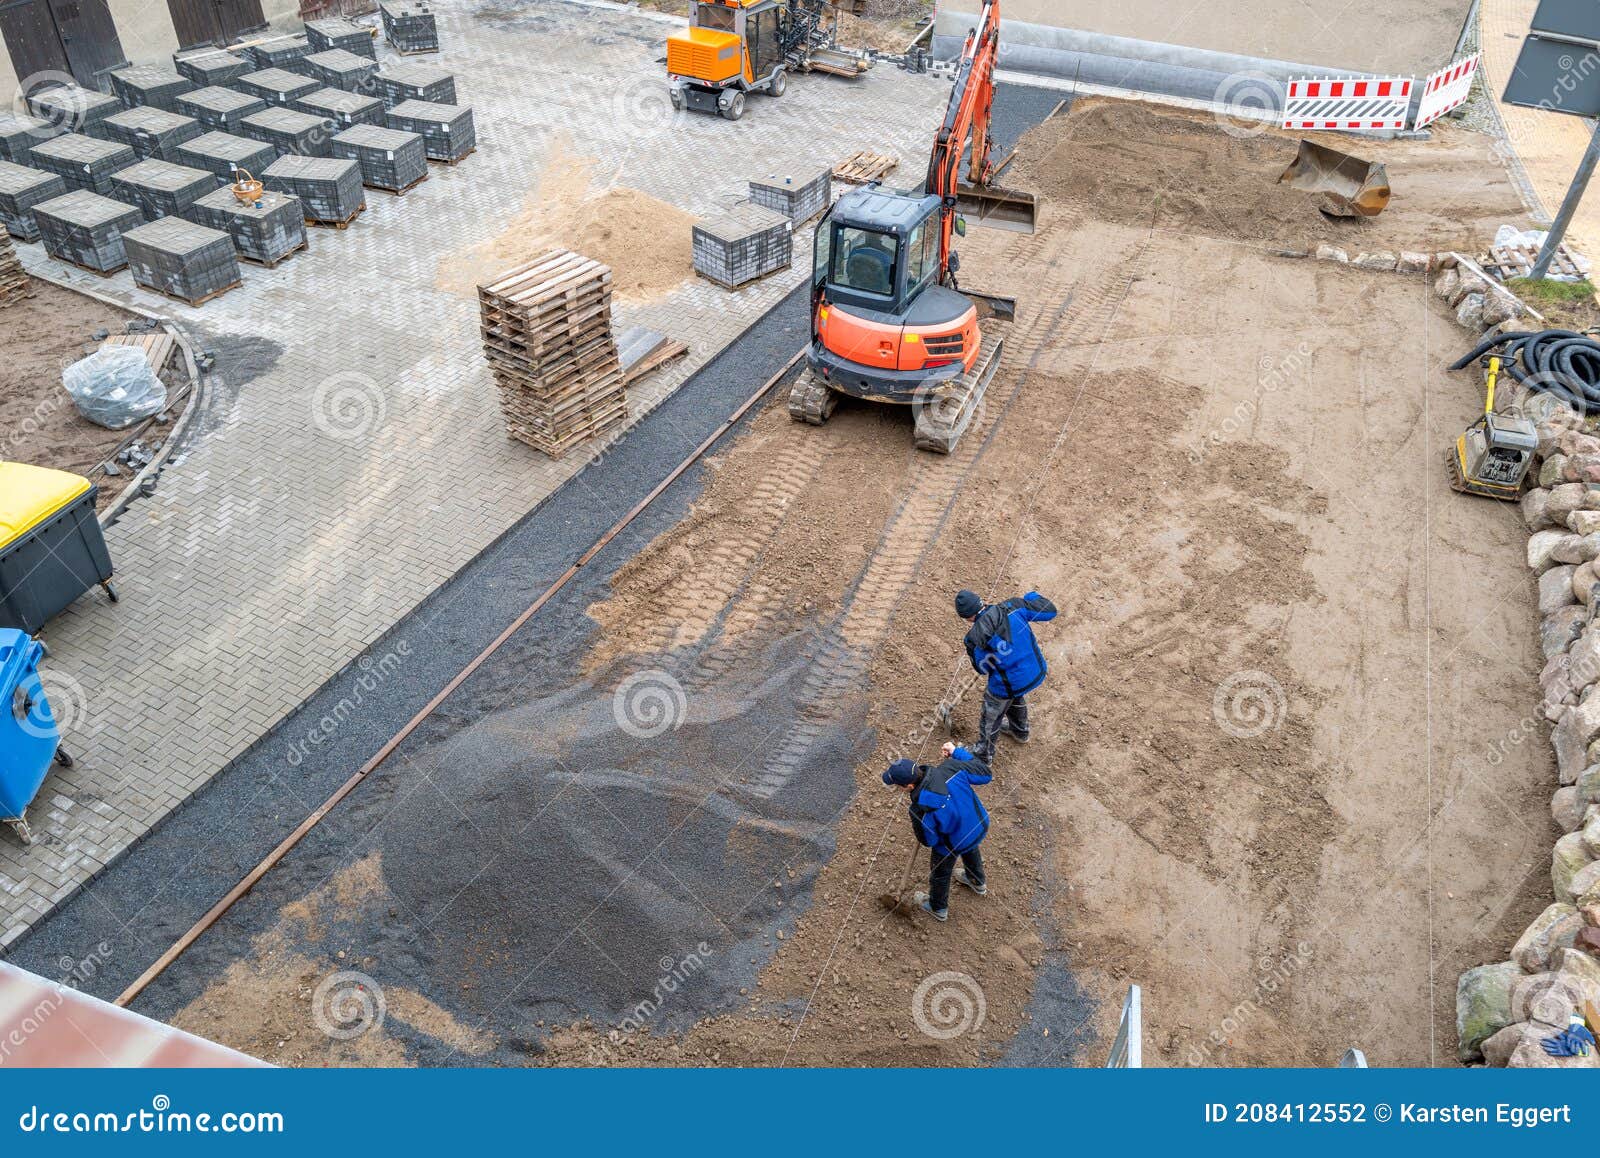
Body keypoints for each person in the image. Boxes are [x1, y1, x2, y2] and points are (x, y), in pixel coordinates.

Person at [882, 741, 992, 922]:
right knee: (970, 846)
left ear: (909, 786)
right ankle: (976, 881)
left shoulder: (918, 810)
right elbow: (985, 774)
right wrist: (957, 752)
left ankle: (938, 907)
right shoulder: (951, 767)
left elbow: (929, 841)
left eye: (897, 786)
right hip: (978, 825)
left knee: (940, 871)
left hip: (954, 842)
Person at [956, 588, 1057, 765]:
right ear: (982, 601)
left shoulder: (973, 637)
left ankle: (983, 755)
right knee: (1014, 694)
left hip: (1010, 684)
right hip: (1036, 670)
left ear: (967, 617)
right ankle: (1020, 731)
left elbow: (982, 668)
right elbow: (1049, 610)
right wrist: (1031, 597)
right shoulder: (1014, 605)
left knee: (991, 714)